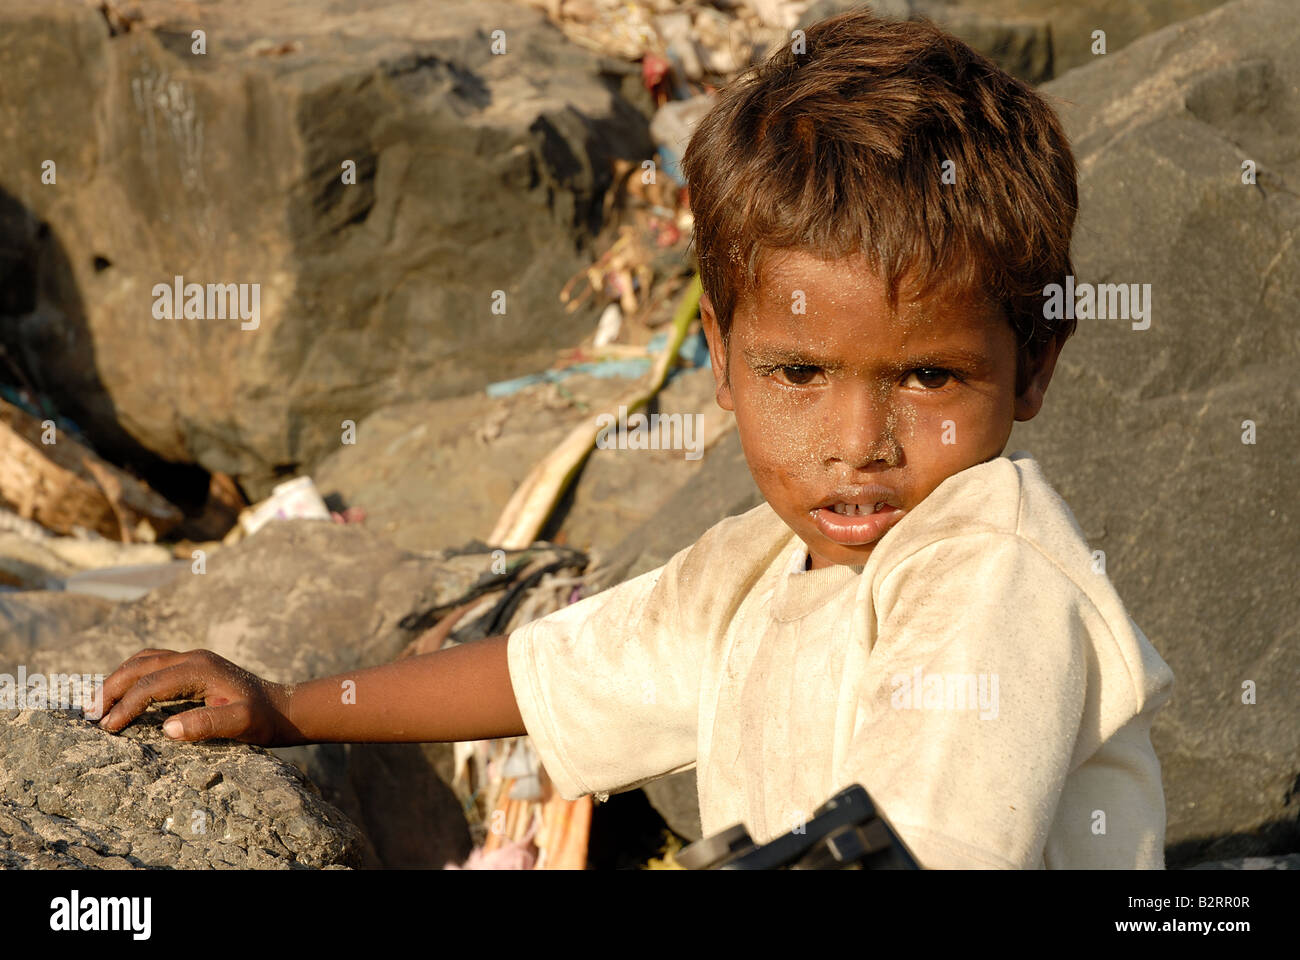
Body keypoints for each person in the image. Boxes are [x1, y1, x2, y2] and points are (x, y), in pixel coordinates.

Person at [93, 8, 1174, 868]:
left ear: (1033, 365)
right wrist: (284, 710)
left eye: (929, 376)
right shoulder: (754, 569)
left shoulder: (991, 572)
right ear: (719, 354)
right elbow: (544, 675)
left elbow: (915, 847)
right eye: (798, 373)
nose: (857, 442)